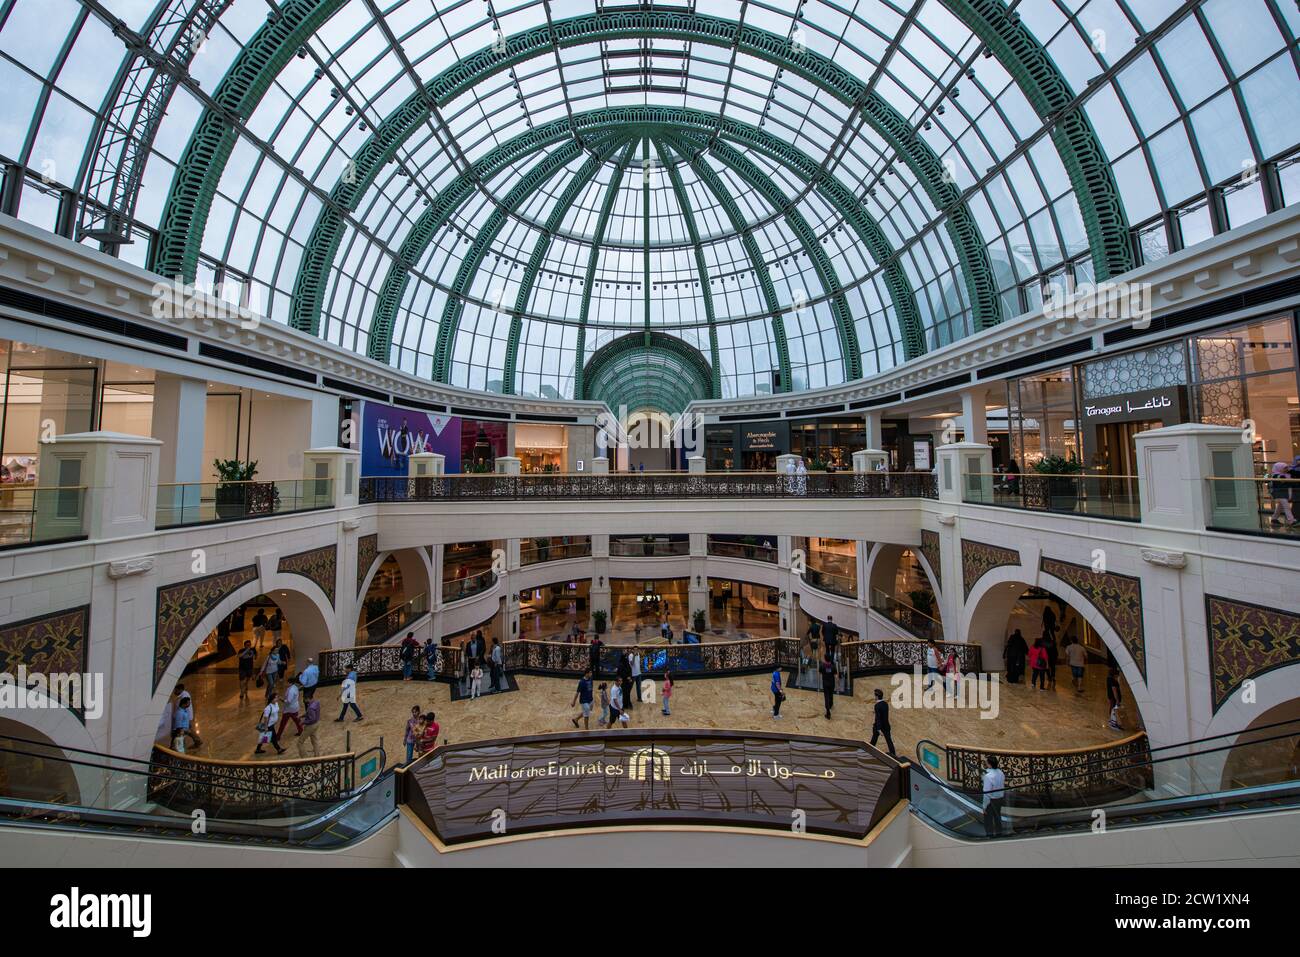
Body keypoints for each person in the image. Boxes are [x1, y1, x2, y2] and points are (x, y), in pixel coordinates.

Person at [981, 755, 1005, 837]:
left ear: (989, 764)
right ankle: (999, 834)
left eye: (986, 762)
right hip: (1000, 798)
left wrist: (984, 806)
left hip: (991, 801)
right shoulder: (1001, 773)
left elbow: (986, 793)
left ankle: (989, 835)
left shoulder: (988, 777)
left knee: (988, 820)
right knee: (997, 817)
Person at [172, 686, 201, 750]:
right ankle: (198, 741)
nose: (174, 692)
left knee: (184, 734)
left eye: (176, 690)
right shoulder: (181, 711)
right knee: (187, 733)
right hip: (183, 724)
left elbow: (179, 722)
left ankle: (198, 741)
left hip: (183, 724)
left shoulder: (184, 698)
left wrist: (189, 720)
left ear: (180, 689)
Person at [870, 687, 895, 757]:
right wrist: (876, 711)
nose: (874, 697)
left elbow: (878, 718)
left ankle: (869, 751)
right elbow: (883, 713)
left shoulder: (877, 706)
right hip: (886, 726)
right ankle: (894, 755)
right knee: (889, 741)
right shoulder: (885, 704)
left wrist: (879, 729)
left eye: (875, 695)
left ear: (877, 696)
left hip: (879, 727)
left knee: (873, 740)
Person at [1269, 461, 1296, 526]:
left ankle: (1274, 519)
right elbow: (1284, 482)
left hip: (1283, 493)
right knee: (1286, 507)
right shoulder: (1277, 475)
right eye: (1285, 468)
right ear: (1279, 468)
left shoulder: (1284, 475)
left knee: (1280, 507)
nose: (1287, 469)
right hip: (1280, 494)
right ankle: (1291, 521)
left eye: (1287, 468)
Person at [298, 689, 321, 757]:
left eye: (304, 699)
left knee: (300, 742)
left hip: (311, 726)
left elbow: (312, 719)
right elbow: (310, 714)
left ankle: (305, 758)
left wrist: (303, 722)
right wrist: (302, 715)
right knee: (314, 740)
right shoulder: (316, 702)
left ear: (308, 698)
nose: (304, 701)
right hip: (317, 723)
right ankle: (317, 756)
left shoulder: (310, 707)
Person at [819, 652, 838, 719]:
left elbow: (820, 673)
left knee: (826, 696)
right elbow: (836, 676)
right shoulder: (833, 666)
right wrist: (838, 685)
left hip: (825, 683)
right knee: (831, 694)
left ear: (825, 659)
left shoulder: (822, 666)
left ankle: (828, 712)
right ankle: (831, 704)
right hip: (832, 683)